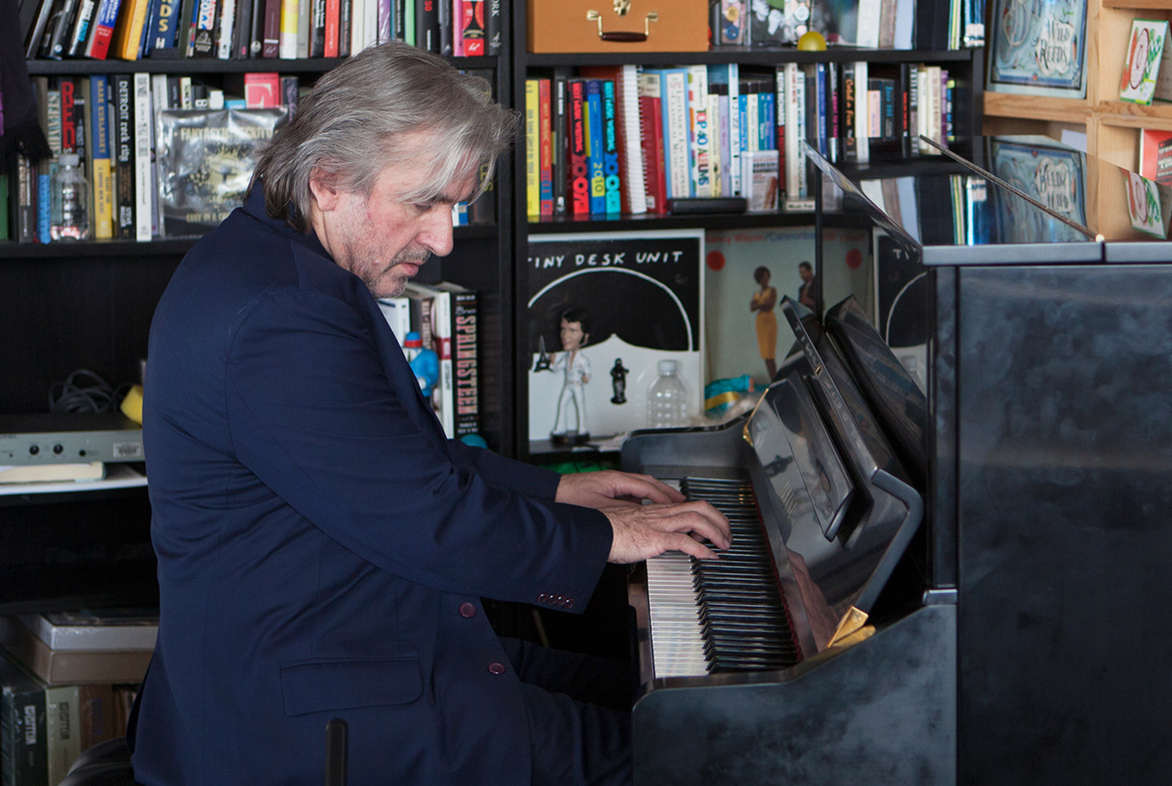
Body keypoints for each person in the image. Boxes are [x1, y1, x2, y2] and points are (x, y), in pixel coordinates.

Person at [131, 42, 729, 786]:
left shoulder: (277, 261)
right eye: (423, 203)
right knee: (701, 757)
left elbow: (395, 461)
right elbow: (426, 518)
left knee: (686, 705)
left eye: (455, 206)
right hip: (319, 717)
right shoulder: (279, 315)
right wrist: (610, 537)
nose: (444, 239)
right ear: (328, 181)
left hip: (362, 655)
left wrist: (560, 491)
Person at [550, 308, 592, 440]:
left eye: (573, 331)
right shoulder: (566, 358)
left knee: (580, 407)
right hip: (568, 385)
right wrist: (552, 363)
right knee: (562, 404)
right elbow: (557, 368)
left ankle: (582, 428)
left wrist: (586, 377)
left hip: (577, 385)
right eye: (563, 329)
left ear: (584, 337)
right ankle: (560, 428)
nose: (565, 336)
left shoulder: (582, 359)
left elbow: (588, 372)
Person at [750, 265, 778, 380]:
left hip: (769, 322)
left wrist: (758, 304)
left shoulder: (772, 290)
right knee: (765, 354)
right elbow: (752, 307)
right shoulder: (757, 293)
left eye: (767, 276)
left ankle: (775, 379)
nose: (766, 279)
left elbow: (769, 305)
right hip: (760, 323)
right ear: (759, 278)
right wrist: (762, 304)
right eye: (764, 276)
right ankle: (773, 380)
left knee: (770, 353)